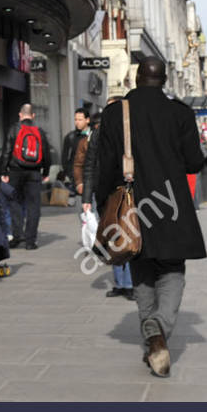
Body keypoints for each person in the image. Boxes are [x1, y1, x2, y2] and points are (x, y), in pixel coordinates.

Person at [94, 57, 206, 377]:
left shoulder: (116, 113)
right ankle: (159, 328)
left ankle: (153, 340)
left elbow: (105, 167)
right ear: (165, 79)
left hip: (134, 207)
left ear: (136, 78)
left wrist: (104, 205)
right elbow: (194, 163)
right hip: (171, 205)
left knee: (141, 268)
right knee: (172, 270)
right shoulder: (181, 113)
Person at [82, 106, 133, 300]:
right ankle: (120, 282)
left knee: (128, 234)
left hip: (127, 192)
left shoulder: (130, 134)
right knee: (113, 236)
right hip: (105, 194)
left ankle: (128, 282)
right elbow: (89, 166)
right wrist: (86, 198)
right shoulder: (97, 135)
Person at [1, 104, 52, 250]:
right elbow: (47, 155)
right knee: (33, 206)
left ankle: (17, 236)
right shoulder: (40, 132)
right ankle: (30, 241)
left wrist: (4, 172)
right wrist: (45, 173)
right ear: (33, 116)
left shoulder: (14, 129)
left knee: (14, 203)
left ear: (20, 115)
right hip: (34, 173)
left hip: (15, 171)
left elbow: (6, 151)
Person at [60, 107, 92, 199]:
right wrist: (72, 176)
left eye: (80, 119)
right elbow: (65, 158)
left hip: (93, 177)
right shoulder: (70, 137)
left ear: (87, 120)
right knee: (81, 209)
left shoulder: (94, 135)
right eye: (75, 119)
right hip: (78, 179)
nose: (77, 122)